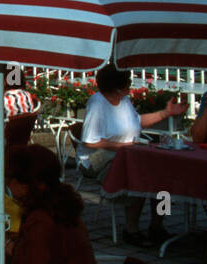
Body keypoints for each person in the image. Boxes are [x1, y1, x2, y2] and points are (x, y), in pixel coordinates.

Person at [80, 64, 187, 245]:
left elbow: (137, 123)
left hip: (130, 154)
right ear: (117, 89)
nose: (130, 87)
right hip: (98, 159)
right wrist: (125, 146)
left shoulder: (124, 101)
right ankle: (131, 229)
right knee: (140, 175)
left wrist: (166, 113)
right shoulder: (97, 104)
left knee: (163, 178)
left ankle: (158, 225)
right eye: (128, 84)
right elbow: (90, 141)